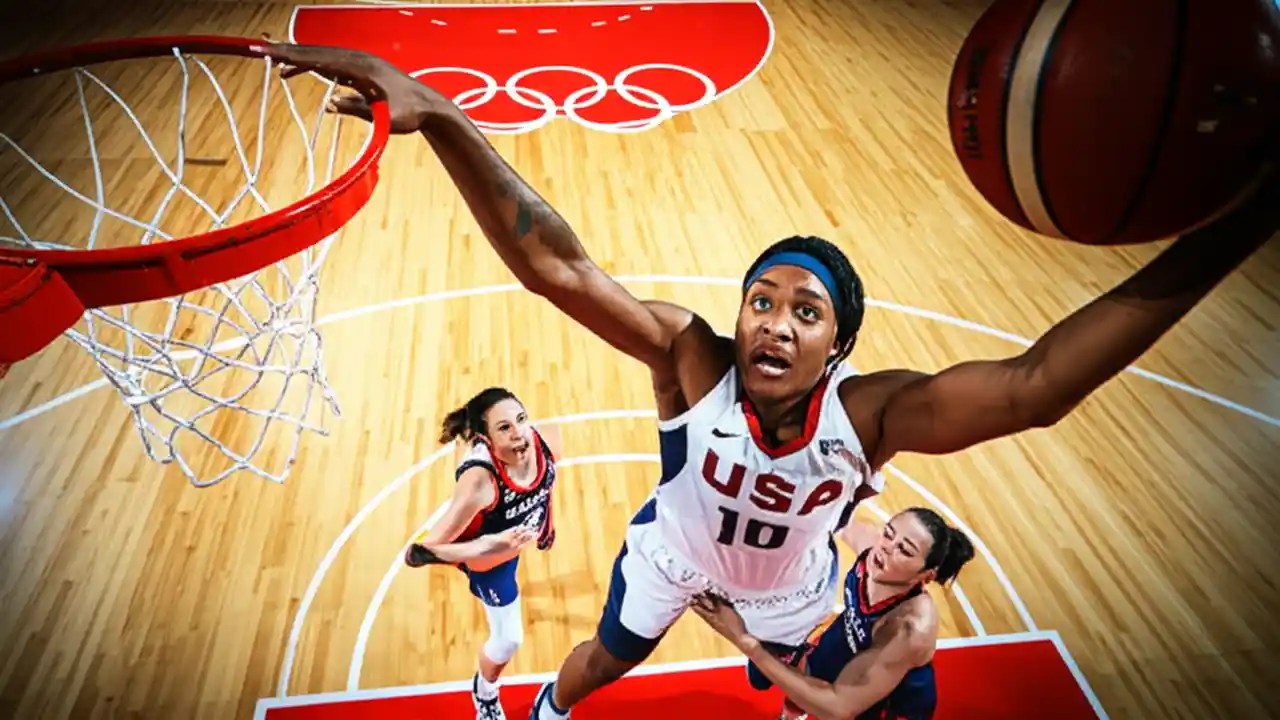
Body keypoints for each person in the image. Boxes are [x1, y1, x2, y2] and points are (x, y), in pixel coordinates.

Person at [254, 40, 1278, 720]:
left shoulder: (869, 413)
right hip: (676, 555)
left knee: (796, 684)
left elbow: (1036, 386)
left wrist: (1235, 228)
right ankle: (541, 711)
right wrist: (440, 115)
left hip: (790, 586)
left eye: (804, 310)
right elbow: (556, 266)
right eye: (760, 299)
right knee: (605, 658)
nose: (773, 322)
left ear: (837, 344)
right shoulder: (691, 357)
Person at [692, 508, 975, 720]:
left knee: (802, 685)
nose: (887, 547)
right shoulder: (873, 550)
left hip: (888, 701)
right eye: (889, 533)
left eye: (904, 549)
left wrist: (745, 641)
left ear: (926, 576)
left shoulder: (908, 629)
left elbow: (839, 707)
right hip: (849, 638)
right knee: (795, 668)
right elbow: (830, 518)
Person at [404, 387, 563, 720]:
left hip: (509, 538)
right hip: (486, 558)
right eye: (504, 428)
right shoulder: (479, 484)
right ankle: (485, 692)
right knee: (509, 640)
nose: (519, 433)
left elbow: (546, 485)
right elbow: (418, 553)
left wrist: (546, 523)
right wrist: (491, 545)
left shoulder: (548, 439)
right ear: (486, 440)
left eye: (521, 419)